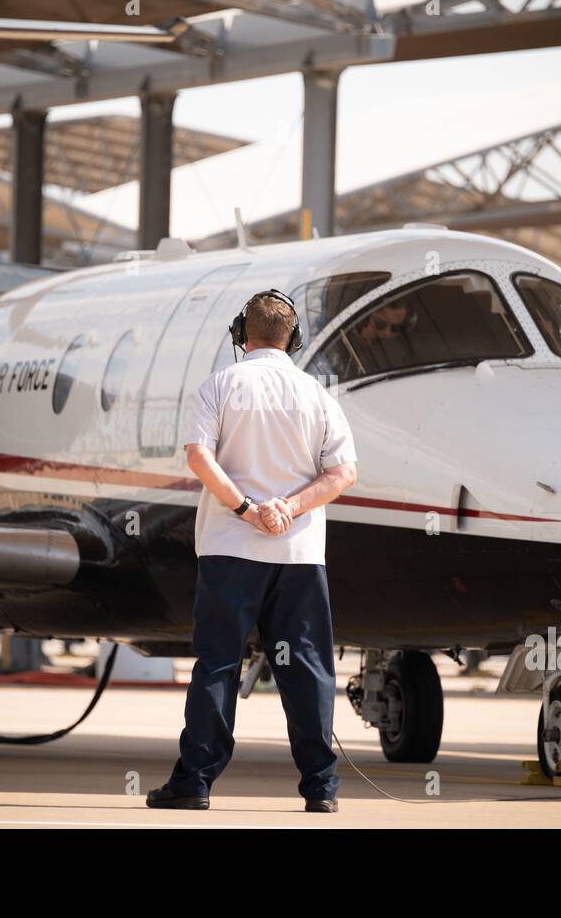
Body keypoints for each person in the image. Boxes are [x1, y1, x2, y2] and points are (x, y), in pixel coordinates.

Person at [146, 289, 358, 813]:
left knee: (217, 664)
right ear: (295, 338)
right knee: (307, 667)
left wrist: (246, 509)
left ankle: (194, 783)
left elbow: (199, 458)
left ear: (242, 334)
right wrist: (287, 506)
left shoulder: (220, 385)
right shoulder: (318, 395)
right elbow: (343, 474)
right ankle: (321, 790)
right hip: (300, 555)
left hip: (229, 549)